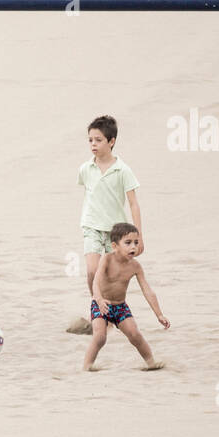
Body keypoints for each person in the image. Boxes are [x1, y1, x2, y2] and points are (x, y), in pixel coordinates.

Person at [68, 115, 143, 335]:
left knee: (111, 275)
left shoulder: (123, 170)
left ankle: (110, 317)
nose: (93, 144)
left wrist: (138, 238)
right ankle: (98, 312)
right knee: (92, 271)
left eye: (98, 140)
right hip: (91, 226)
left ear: (111, 141)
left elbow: (133, 203)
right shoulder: (85, 169)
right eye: (90, 140)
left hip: (115, 232)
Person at [83, 222, 168, 371]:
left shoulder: (135, 266)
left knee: (135, 334)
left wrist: (159, 314)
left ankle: (151, 363)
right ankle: (87, 365)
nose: (133, 247)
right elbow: (96, 282)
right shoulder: (107, 259)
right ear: (115, 246)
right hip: (100, 304)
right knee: (100, 336)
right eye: (128, 243)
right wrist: (99, 299)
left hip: (120, 306)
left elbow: (147, 290)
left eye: (136, 242)